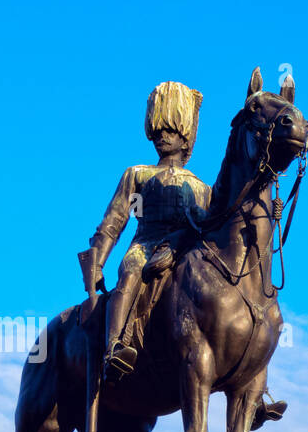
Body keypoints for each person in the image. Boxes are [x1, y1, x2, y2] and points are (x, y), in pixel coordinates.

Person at [79, 81, 210, 380]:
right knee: (131, 270)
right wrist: (98, 262)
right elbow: (113, 222)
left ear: (186, 135)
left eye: (171, 129)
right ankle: (115, 347)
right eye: (158, 129)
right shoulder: (137, 174)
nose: (163, 136)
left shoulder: (203, 188)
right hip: (145, 245)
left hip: (183, 252)